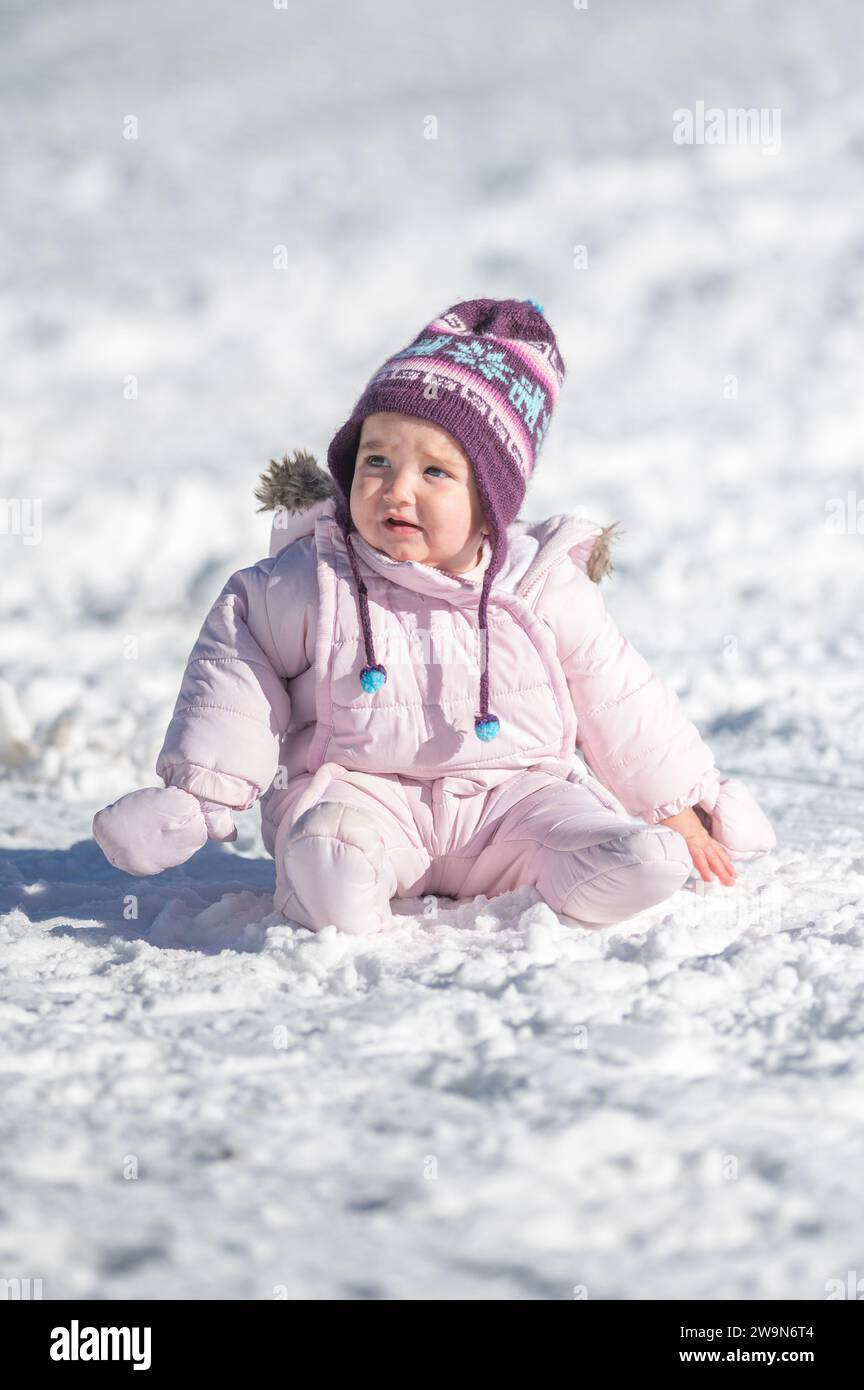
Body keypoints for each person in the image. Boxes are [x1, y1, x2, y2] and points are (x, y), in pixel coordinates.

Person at [92, 297, 776, 933]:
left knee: (595, 833)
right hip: (362, 795)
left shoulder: (539, 587)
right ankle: (334, 887)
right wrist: (201, 797)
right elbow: (234, 676)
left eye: (435, 473)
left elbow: (620, 698)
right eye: (377, 460)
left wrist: (681, 810)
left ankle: (596, 868)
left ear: (491, 500)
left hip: (513, 802)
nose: (396, 489)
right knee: (330, 841)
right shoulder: (315, 580)